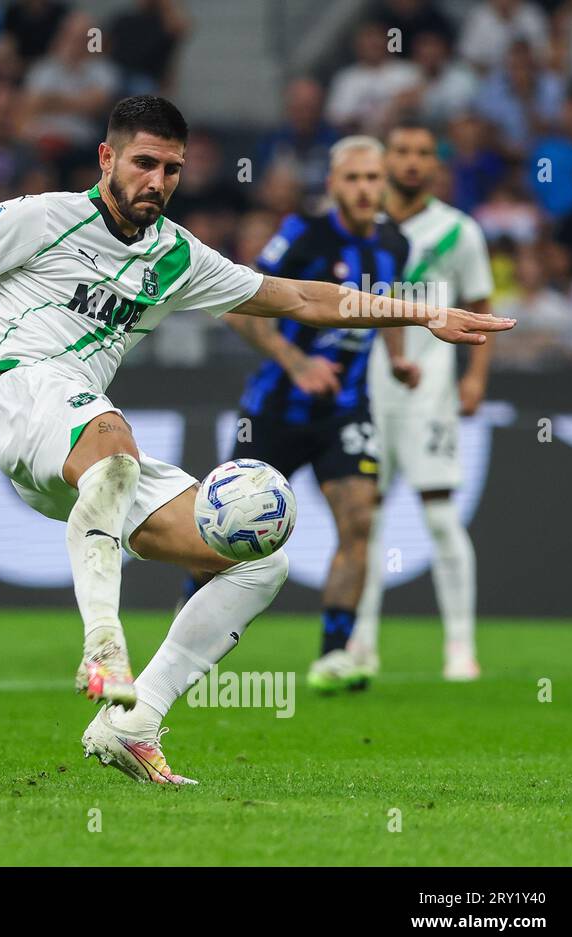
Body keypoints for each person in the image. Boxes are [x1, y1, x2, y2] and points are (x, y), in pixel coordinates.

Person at [0, 97, 513, 785]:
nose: (158, 180)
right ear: (108, 159)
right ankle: (102, 646)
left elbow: (299, 297)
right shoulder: (35, 217)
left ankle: (133, 721)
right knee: (113, 439)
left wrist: (416, 314)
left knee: (258, 557)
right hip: (23, 397)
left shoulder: (175, 255)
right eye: (144, 162)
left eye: (173, 168)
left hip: (84, 453)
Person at [222, 136, 416, 694]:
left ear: (384, 184)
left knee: (359, 521)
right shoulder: (302, 235)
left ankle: (335, 653)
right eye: (353, 178)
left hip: (346, 411)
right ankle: (186, 637)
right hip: (276, 409)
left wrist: (399, 362)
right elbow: (238, 305)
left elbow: (390, 311)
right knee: (222, 537)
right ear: (333, 185)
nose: (364, 189)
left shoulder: (395, 244)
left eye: (373, 178)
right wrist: (295, 359)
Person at [353, 121, 496, 682]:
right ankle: (360, 641)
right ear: (387, 159)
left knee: (439, 515)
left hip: (429, 390)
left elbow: (481, 304)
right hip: (366, 389)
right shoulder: (363, 225)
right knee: (363, 516)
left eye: (422, 154)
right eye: (402, 151)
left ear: (436, 165)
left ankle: (460, 646)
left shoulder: (459, 232)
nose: (411, 162)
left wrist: (476, 377)